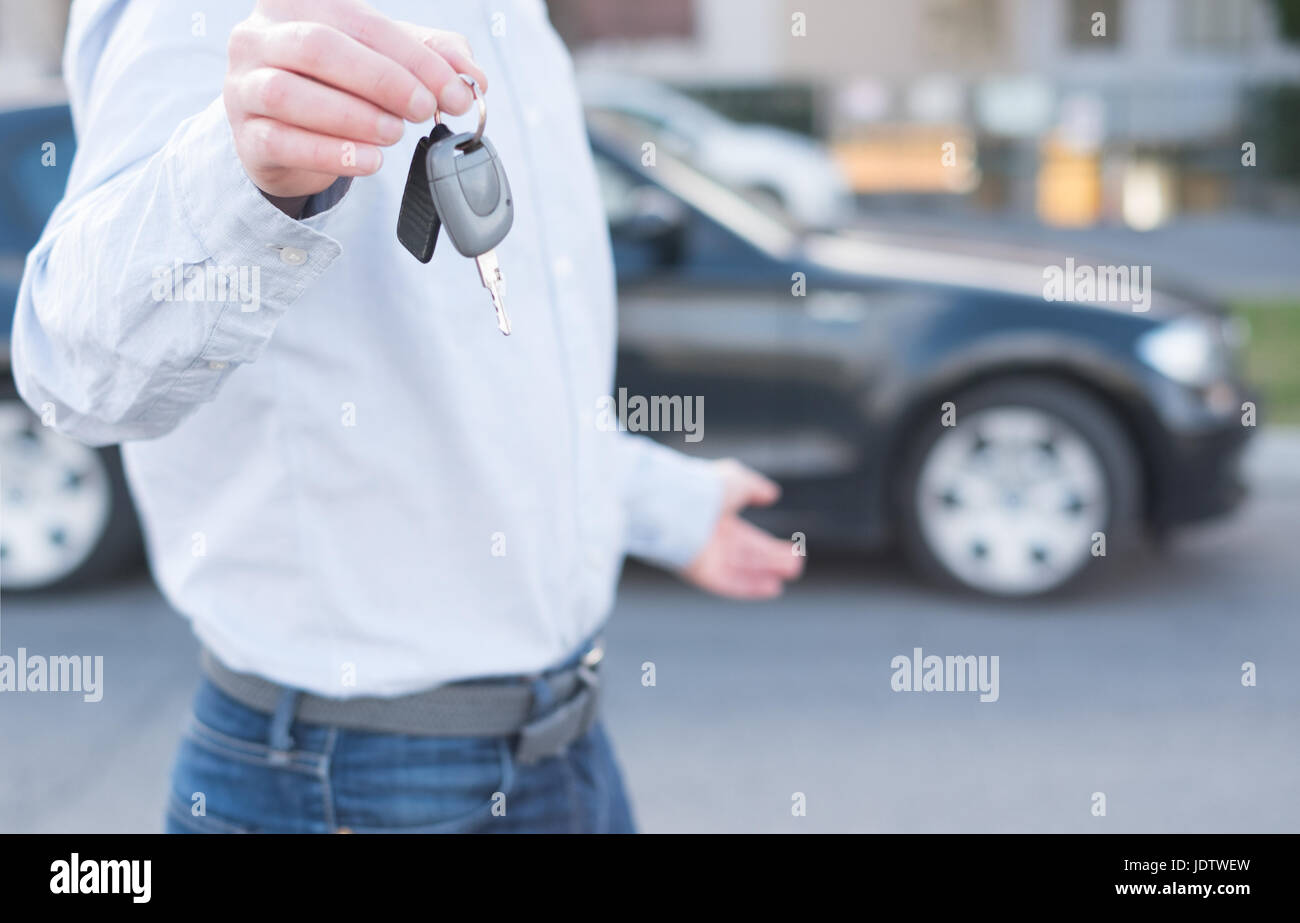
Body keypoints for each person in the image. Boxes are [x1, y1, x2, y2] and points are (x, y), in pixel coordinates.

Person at [13, 0, 802, 834]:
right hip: (346, 781)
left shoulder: (519, 22)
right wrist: (237, 172)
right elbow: (74, 372)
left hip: (574, 748)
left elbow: (493, 375)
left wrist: (661, 502)